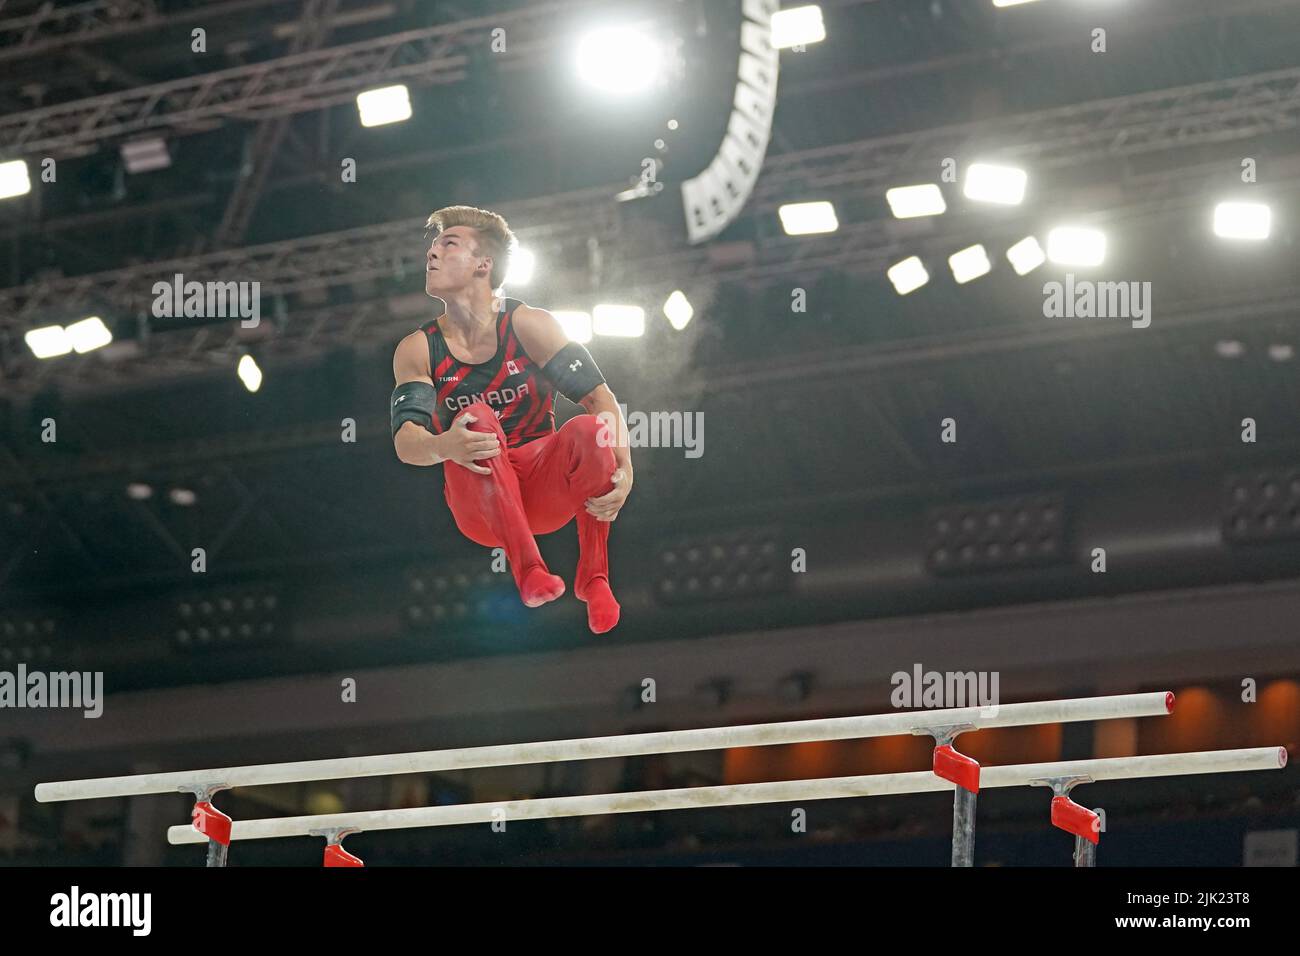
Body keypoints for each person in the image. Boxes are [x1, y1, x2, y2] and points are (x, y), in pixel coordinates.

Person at [391, 205, 631, 634]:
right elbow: (407, 441)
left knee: (590, 429)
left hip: (543, 487)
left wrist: (625, 471)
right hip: (479, 504)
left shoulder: (530, 325)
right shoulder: (417, 348)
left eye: (448, 244)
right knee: (475, 418)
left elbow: (601, 400)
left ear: (484, 264)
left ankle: (594, 577)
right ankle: (528, 570)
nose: (431, 253)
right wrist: (443, 445)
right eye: (432, 246)